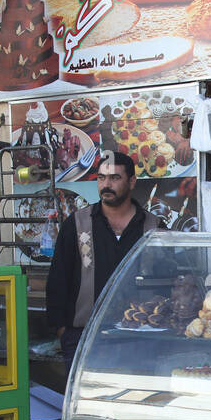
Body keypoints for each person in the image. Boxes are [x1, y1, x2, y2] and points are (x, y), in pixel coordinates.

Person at [47, 151, 164, 370]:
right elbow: (57, 280)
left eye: (115, 178)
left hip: (141, 340)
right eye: (101, 178)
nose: (106, 184)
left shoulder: (154, 227)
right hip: (85, 338)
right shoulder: (77, 224)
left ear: (131, 182)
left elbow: (167, 282)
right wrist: (63, 332)